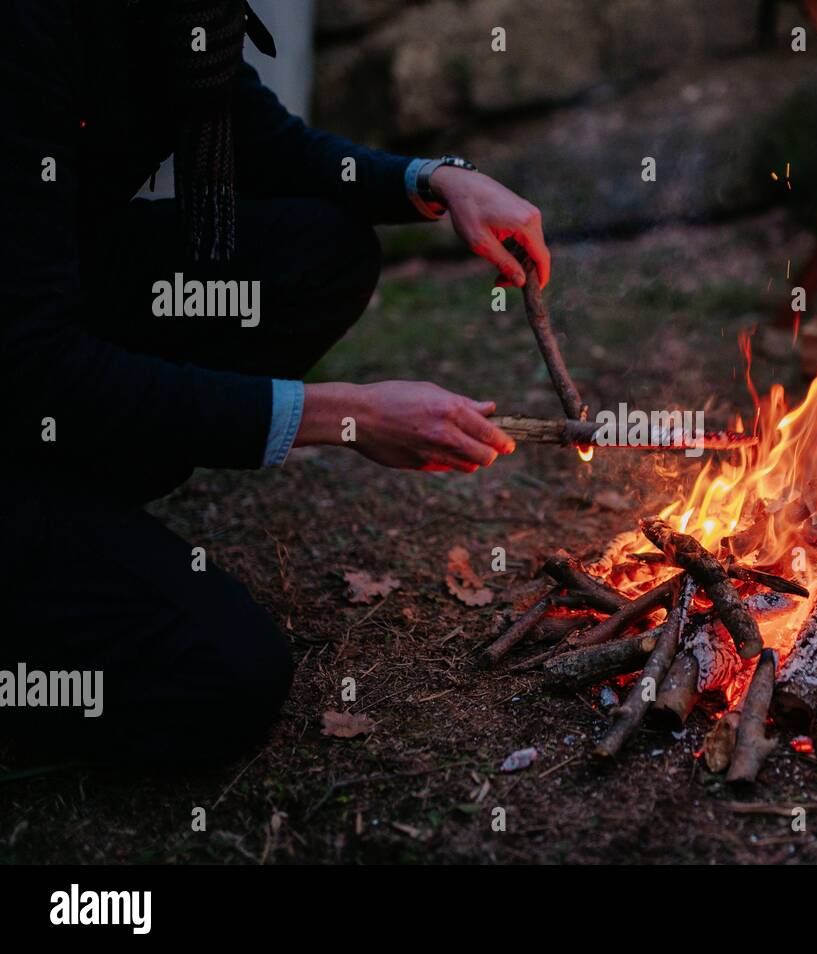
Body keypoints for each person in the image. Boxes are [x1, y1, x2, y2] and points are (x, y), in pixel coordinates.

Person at [0, 0, 548, 764]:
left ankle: (84, 507)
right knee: (225, 675)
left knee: (318, 248)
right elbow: (39, 368)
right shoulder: (28, 28)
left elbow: (263, 141)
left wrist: (436, 179)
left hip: (43, 319)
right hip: (26, 369)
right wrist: (343, 415)